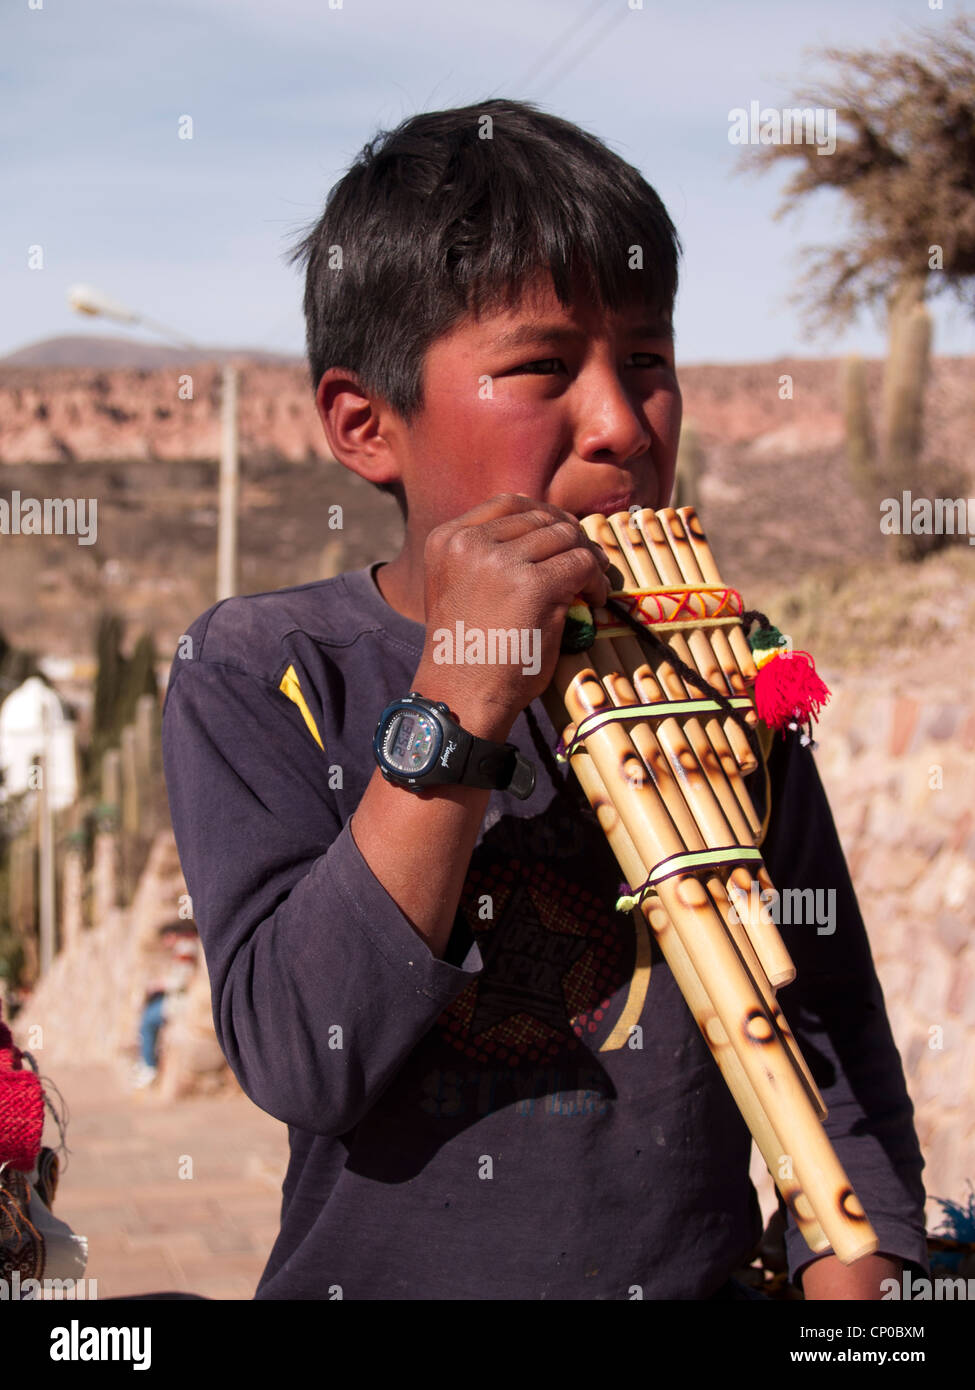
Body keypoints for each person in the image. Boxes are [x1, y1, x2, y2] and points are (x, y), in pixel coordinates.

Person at [160, 99, 927, 1300]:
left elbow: (824, 1024)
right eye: (542, 370)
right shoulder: (266, 667)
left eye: (650, 361)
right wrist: (460, 694)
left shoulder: (726, 670)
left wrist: (863, 1265)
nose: (622, 427)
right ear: (367, 426)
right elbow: (307, 1056)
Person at [133, 922, 199, 1089]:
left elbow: (181, 980)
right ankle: (146, 1060)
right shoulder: (183, 949)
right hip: (175, 999)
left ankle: (148, 1066)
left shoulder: (186, 949)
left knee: (147, 1021)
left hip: (180, 1003)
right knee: (147, 1013)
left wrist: (159, 984)